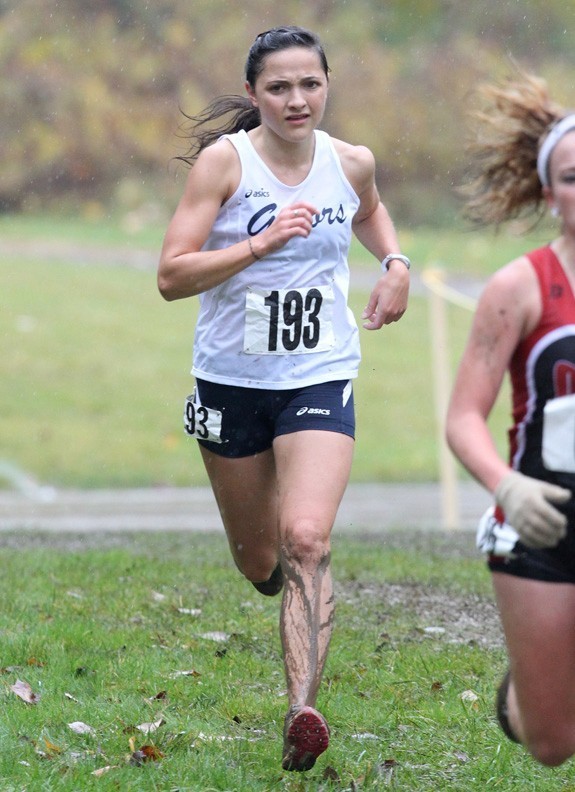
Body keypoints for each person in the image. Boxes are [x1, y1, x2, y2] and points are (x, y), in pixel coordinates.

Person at [157, 26, 409, 772]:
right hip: (231, 383)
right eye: (278, 87)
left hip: (319, 374)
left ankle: (303, 709)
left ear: (325, 86)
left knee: (307, 539)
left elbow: (367, 207)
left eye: (309, 84)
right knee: (262, 560)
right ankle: (273, 579)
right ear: (253, 94)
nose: (296, 100)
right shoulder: (224, 167)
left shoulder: (349, 161)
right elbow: (172, 275)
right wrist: (258, 246)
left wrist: (393, 261)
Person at [446, 70, 575, 767]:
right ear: (549, 192)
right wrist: (507, 489)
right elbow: (463, 417)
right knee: (553, 745)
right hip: (539, 517)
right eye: (573, 176)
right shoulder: (519, 287)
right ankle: (524, 696)